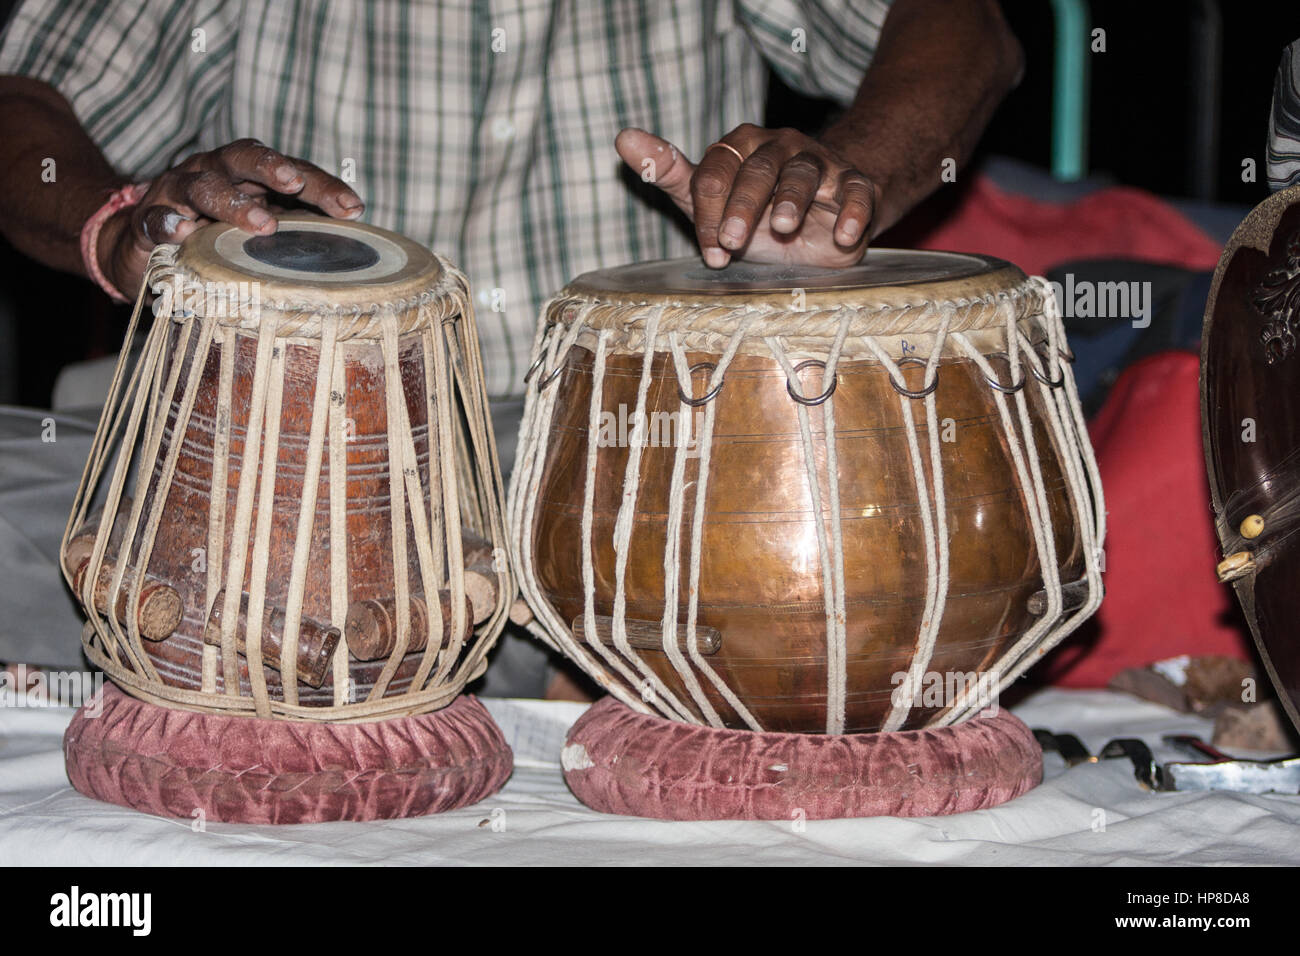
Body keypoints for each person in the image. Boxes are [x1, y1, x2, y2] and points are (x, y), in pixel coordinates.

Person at [0, 0, 1023, 696]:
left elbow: (964, 29)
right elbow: (23, 103)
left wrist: (840, 189)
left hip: (635, 462)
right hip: (274, 464)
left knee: (826, 578)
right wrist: (120, 222)